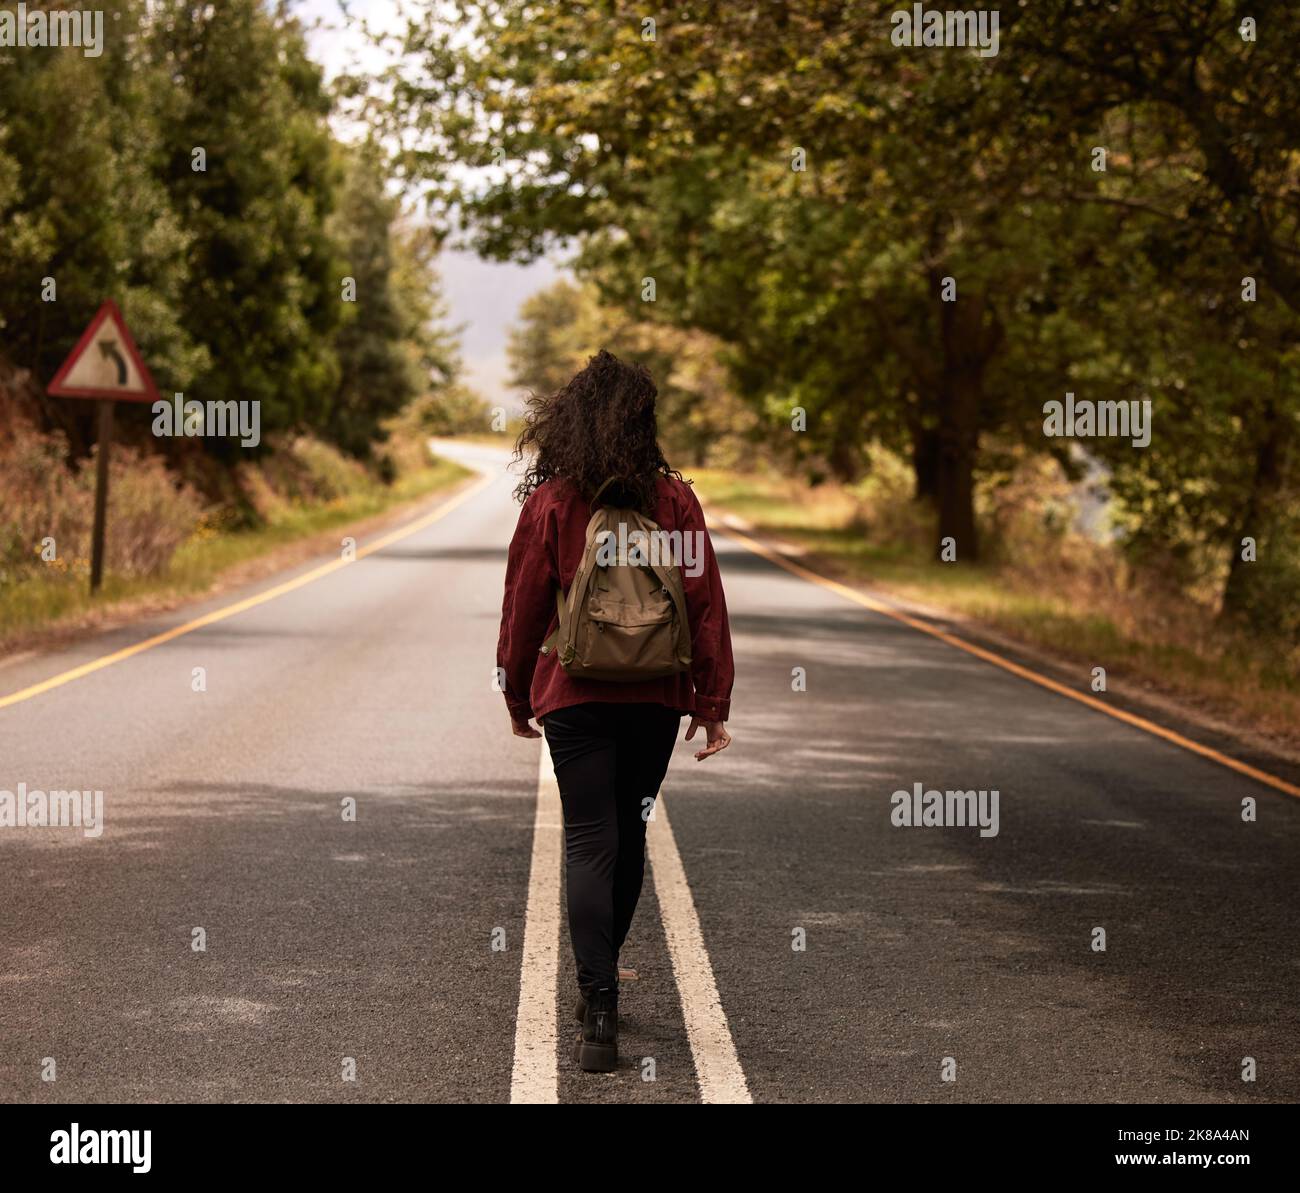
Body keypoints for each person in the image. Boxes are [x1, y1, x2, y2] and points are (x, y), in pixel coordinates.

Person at [497, 349, 734, 1073]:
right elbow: (704, 600)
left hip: (574, 694)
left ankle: (597, 1003)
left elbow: (523, 605)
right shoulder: (673, 501)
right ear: (644, 422)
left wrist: (515, 689)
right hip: (655, 696)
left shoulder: (555, 502)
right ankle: (605, 977)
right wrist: (712, 700)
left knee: (590, 838)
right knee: (628, 832)